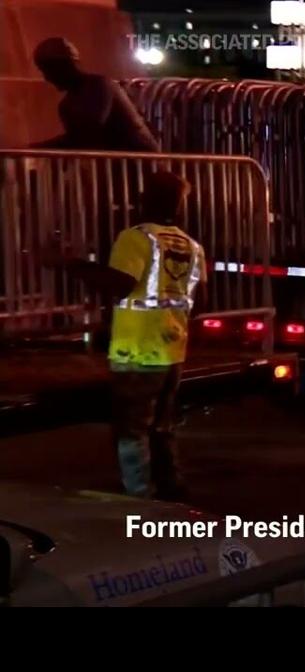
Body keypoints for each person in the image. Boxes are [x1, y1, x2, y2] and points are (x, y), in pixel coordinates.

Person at [45, 172, 204, 500]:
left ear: (145, 200)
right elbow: (199, 301)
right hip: (173, 349)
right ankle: (174, 492)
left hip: (138, 351)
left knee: (132, 431)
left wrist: (66, 264)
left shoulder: (136, 238)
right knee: (162, 427)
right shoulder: (192, 247)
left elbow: (119, 283)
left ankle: (139, 502)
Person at [30, 37, 160, 152]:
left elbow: (87, 133)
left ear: (62, 66)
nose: (47, 78)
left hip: (140, 168)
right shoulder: (68, 104)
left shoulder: (99, 86)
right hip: (117, 169)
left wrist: (38, 148)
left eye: (47, 70)